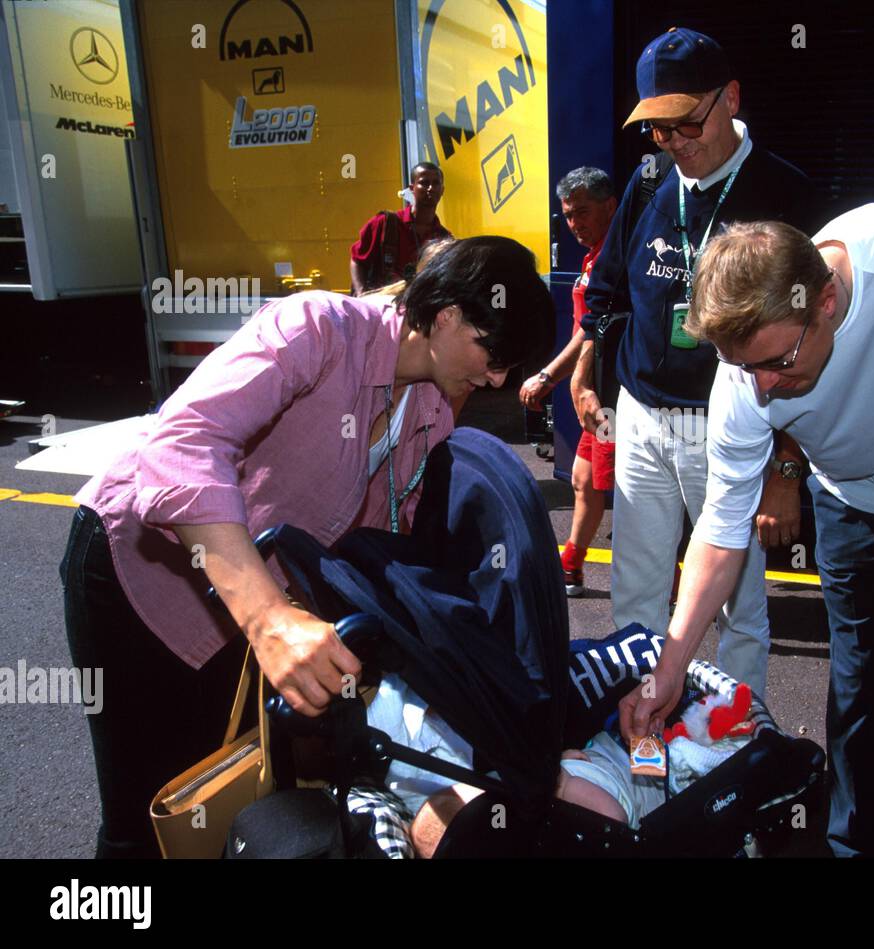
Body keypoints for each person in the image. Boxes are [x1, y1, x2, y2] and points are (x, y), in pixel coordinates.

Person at [61, 237, 554, 858]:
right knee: (144, 816)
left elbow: (379, 551)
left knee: (211, 805)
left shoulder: (431, 410)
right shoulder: (317, 329)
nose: (497, 377)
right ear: (448, 313)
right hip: (137, 576)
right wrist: (267, 618)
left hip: (240, 607)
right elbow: (180, 445)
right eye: (493, 353)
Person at [620, 207, 874, 858]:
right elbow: (722, 534)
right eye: (745, 367)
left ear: (828, 301)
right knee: (859, 677)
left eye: (777, 361)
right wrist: (669, 668)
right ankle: (856, 844)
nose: (765, 386)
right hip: (851, 497)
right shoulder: (746, 379)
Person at [571, 27, 820, 697]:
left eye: (686, 122)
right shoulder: (651, 180)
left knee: (740, 610)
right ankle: (641, 737)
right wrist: (584, 364)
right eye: (657, 129)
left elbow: (816, 344)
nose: (675, 142)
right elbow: (607, 286)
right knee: (637, 599)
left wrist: (787, 468)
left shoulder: (783, 191)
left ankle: (735, 743)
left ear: (729, 98)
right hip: (644, 421)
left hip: (731, 433)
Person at [518, 167, 619, 596]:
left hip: (610, 395)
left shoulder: (618, 255)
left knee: (628, 493)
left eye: (583, 212)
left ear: (610, 207)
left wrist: (548, 375)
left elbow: (588, 331)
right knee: (583, 479)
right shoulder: (595, 254)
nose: (574, 224)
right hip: (591, 395)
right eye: (568, 216)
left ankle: (667, 580)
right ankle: (571, 565)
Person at [350, 162, 453, 295]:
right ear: (412, 188)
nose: (431, 188)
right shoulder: (385, 223)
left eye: (436, 183)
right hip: (380, 307)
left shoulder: (444, 238)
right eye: (424, 183)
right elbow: (357, 260)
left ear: (442, 190)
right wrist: (361, 294)